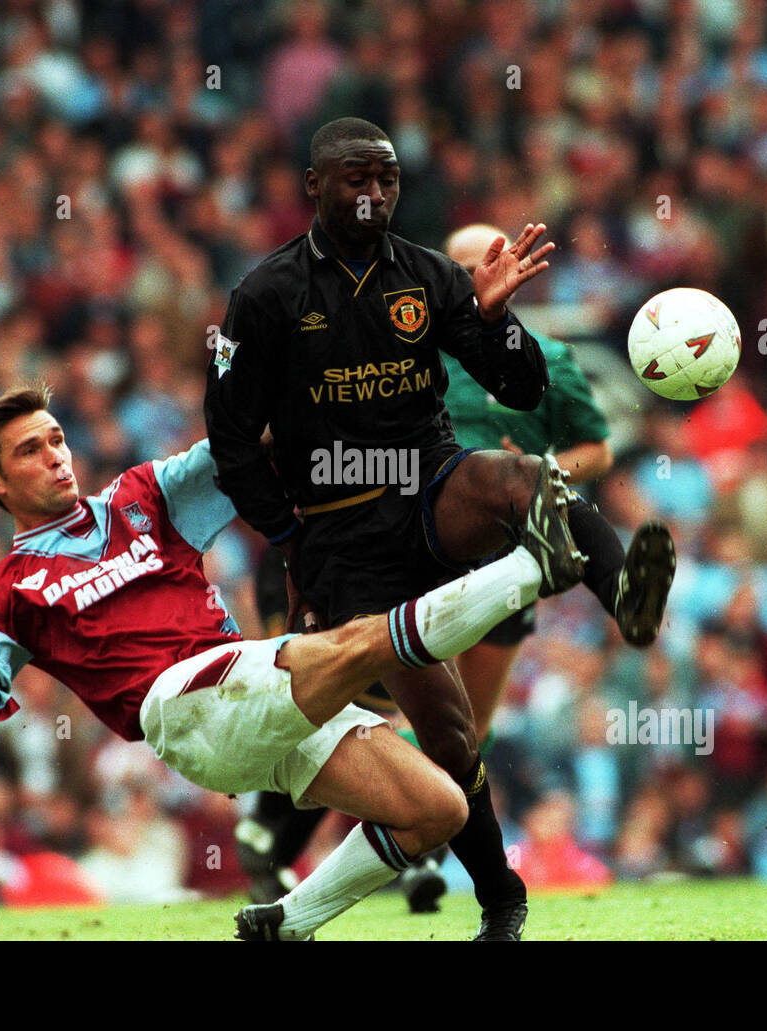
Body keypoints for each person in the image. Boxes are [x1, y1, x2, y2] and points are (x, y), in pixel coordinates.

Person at [205, 117, 676, 940]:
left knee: (515, 474)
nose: (373, 193)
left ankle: (623, 590)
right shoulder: (266, 295)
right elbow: (232, 441)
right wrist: (289, 537)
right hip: (341, 534)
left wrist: (495, 321)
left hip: (429, 480)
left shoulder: (428, 276)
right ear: (315, 185)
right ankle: (501, 899)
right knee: (452, 738)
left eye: (385, 178)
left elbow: (524, 389)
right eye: (355, 178)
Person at [0, 386, 590, 941]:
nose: (55, 456)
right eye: (30, 450)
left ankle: (286, 922)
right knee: (357, 643)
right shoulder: (4, 592)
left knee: (436, 809)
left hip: (252, 701)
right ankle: (532, 567)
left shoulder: (146, 495)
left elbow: (245, 447)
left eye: (56, 438)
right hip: (179, 707)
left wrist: (317, 387)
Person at [236, 222, 617, 913]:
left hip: (477, 529)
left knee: (462, 725)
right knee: (398, 717)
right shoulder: (389, 333)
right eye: (464, 264)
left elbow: (591, 446)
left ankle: (617, 592)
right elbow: (266, 441)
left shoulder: (541, 357)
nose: (476, 274)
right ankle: (295, 836)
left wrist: (500, 331)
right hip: (377, 548)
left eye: (488, 262)